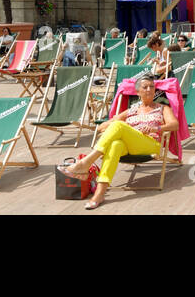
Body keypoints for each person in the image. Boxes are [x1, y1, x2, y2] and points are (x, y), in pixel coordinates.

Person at [66, 76, 178, 209]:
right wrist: (126, 129)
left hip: (150, 144)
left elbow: (174, 125)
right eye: (145, 87)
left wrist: (156, 128)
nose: (149, 89)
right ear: (137, 92)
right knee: (115, 145)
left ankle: (87, 162)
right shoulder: (131, 111)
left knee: (119, 125)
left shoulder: (162, 108)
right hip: (130, 144)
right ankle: (99, 194)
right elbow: (102, 127)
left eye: (152, 86)